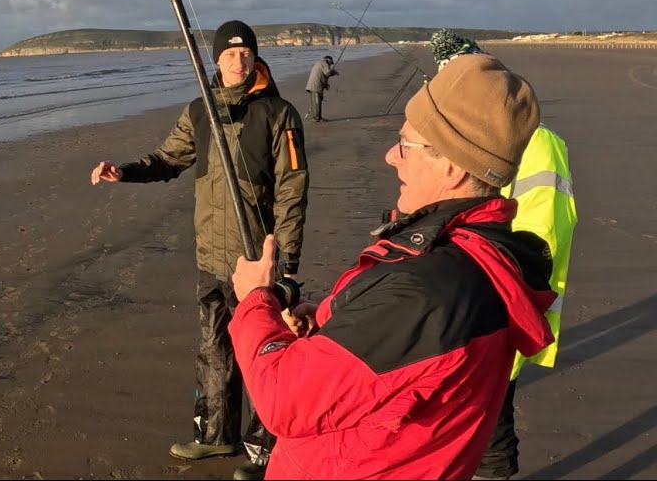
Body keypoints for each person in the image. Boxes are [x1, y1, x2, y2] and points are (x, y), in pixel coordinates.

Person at [227, 53, 557, 480]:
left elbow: (281, 401)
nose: (391, 156)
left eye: (406, 144)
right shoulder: (484, 256)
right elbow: (399, 362)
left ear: (453, 167)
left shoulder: (428, 291)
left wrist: (255, 300)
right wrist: (330, 318)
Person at [90, 20, 308, 477]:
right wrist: (124, 172)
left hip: (257, 264)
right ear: (216, 59)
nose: (238, 60)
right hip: (212, 258)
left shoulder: (280, 113)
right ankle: (215, 436)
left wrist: (286, 263)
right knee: (214, 348)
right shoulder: (198, 111)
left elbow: (292, 188)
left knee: (264, 352)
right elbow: (168, 159)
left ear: (255, 57)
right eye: (229, 54)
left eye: (245, 52)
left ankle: (262, 450)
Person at [431, 32, 578, 481]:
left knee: (490, 425)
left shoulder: (537, 143)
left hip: (503, 306)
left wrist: (492, 296)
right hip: (458, 300)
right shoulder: (461, 135)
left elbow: (542, 239)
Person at [304, 54, 338, 122]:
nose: (330, 65)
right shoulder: (323, 63)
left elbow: (321, 76)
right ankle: (316, 118)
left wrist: (325, 85)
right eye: (330, 63)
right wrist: (334, 72)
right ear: (328, 60)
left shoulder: (319, 63)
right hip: (315, 86)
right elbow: (328, 73)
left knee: (318, 102)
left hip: (315, 85)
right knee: (316, 103)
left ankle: (319, 117)